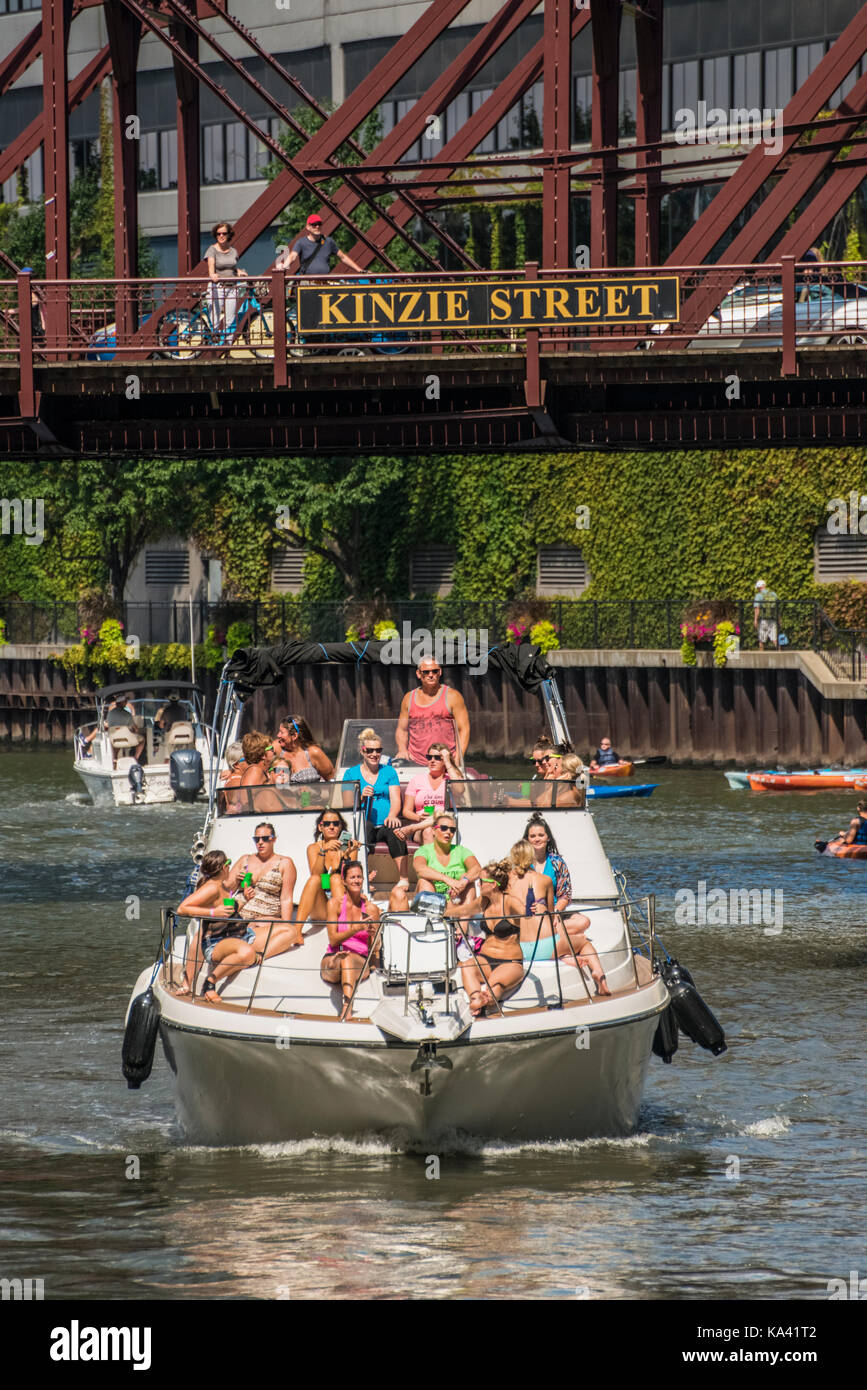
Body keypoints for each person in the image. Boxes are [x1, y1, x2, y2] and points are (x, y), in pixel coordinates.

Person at [175, 850, 256, 1003]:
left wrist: (244, 897)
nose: (230, 867)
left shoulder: (223, 886)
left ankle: (251, 957)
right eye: (229, 863)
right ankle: (205, 983)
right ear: (224, 867)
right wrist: (214, 912)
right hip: (218, 939)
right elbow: (182, 909)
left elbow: (228, 912)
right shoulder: (211, 887)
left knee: (286, 932)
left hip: (237, 934)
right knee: (246, 952)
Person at [450, 860, 525, 1017]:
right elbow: (459, 910)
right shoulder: (483, 903)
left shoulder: (510, 902)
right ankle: (476, 999)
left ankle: (482, 1002)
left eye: (481, 882)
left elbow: (525, 912)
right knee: (466, 965)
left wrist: (531, 909)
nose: (478, 885)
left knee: (494, 987)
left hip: (510, 962)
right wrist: (438, 910)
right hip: (485, 958)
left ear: (493, 885)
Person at [341, 728, 409, 887]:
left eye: (378, 750)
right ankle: (361, 879)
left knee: (396, 832)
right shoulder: (350, 774)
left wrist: (392, 815)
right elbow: (347, 805)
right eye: (369, 750)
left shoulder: (389, 772)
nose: (374, 754)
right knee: (366, 829)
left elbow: (396, 800)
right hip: (365, 823)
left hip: (385, 822)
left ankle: (404, 879)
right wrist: (362, 796)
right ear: (362, 751)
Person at [225, 822, 300, 958]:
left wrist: (286, 925)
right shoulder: (245, 860)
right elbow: (226, 889)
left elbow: (286, 898)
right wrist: (236, 879)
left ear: (274, 839)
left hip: (265, 917)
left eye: (265, 838)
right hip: (239, 914)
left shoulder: (285, 863)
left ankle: (255, 955)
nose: (260, 842)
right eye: (256, 839)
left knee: (289, 931)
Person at [320, 861, 381, 1021]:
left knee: (346, 958)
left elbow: (376, 947)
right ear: (344, 881)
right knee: (341, 957)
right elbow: (333, 940)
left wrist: (375, 934)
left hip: (358, 960)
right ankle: (336, 963)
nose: (356, 880)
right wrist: (356, 928)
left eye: (359, 877)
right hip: (333, 954)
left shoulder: (370, 909)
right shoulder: (335, 904)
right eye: (352, 877)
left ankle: (347, 1008)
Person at [390, 812, 482, 912]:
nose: (448, 832)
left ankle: (462, 926)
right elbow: (421, 870)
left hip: (454, 902)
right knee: (424, 881)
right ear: (433, 831)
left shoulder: (461, 851)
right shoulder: (424, 851)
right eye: (443, 828)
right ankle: (432, 922)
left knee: (468, 880)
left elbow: (477, 869)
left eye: (452, 830)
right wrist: (447, 879)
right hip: (430, 903)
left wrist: (463, 882)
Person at [395, 657, 470, 766]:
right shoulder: (408, 698)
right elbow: (402, 730)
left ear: (440, 672)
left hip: (446, 761)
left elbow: (464, 729)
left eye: (434, 671)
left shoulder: (453, 696)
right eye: (426, 672)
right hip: (415, 761)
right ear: (419, 674)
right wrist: (402, 750)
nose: (431, 675)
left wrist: (458, 757)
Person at [296, 809, 360, 925]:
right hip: (322, 905)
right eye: (326, 824)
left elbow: (351, 881)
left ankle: (343, 924)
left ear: (340, 827)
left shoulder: (349, 848)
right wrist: (323, 851)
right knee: (314, 879)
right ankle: (297, 930)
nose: (331, 827)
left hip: (341, 900)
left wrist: (345, 856)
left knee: (335, 879)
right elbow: (316, 875)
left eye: (335, 824)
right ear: (320, 827)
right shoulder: (313, 848)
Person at [400, 742, 462, 845]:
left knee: (440, 819)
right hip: (421, 826)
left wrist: (448, 762)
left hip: (444, 825)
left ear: (444, 760)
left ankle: (411, 828)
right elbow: (406, 811)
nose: (432, 760)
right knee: (428, 830)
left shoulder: (451, 779)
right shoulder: (416, 780)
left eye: (437, 758)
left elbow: (460, 790)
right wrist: (418, 817)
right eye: (429, 757)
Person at [278, 212, 363, 280]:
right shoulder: (301, 242)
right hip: (308, 283)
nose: (317, 226)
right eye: (314, 224)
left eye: (319, 224)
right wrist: (284, 267)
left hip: (324, 282)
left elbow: (343, 257)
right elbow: (293, 256)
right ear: (308, 227)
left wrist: (360, 270)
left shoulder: (328, 241)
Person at [205, 222, 249, 338]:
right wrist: (212, 274)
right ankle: (215, 345)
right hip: (218, 287)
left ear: (229, 234)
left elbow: (231, 266)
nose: (221, 236)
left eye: (224, 233)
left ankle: (227, 348)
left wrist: (238, 271)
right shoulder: (212, 250)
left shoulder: (233, 251)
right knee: (215, 319)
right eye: (218, 234)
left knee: (230, 321)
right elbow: (211, 265)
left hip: (232, 287)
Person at [524, 814, 572, 913]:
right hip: (528, 913)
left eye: (541, 835)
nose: (537, 839)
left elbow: (565, 894)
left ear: (548, 838)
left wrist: (554, 912)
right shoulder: (522, 863)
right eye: (533, 836)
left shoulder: (557, 862)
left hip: (552, 911)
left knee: (583, 921)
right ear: (527, 840)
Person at [270, 715, 333, 784]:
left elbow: (332, 780)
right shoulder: (277, 749)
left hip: (312, 794)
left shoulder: (313, 753)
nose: (278, 735)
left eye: (281, 732)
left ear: (294, 736)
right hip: (283, 794)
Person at [239, 730, 283, 813]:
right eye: (271, 749)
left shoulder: (263, 770)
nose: (274, 751)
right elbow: (245, 802)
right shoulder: (255, 771)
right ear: (262, 754)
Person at [753, 579, 778, 651]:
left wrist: (755, 619)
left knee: (761, 640)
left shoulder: (759, 596)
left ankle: (761, 653)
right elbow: (777, 607)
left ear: (759, 587)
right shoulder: (773, 594)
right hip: (773, 619)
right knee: (775, 639)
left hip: (763, 619)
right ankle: (778, 653)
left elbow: (757, 608)